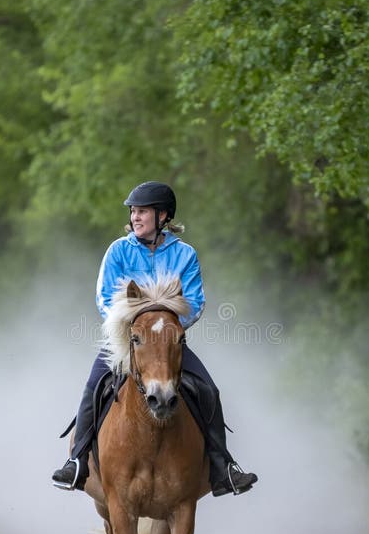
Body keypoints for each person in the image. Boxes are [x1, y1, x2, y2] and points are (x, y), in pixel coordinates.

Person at [52, 181, 258, 497]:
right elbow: (104, 298)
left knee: (209, 391)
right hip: (126, 340)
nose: (135, 217)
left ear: (163, 216)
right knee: (93, 388)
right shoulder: (118, 250)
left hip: (167, 342)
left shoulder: (184, 255)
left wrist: (165, 327)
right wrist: (139, 325)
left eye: (143, 211)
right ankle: (77, 462)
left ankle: (222, 468)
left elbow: (195, 301)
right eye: (133, 211)